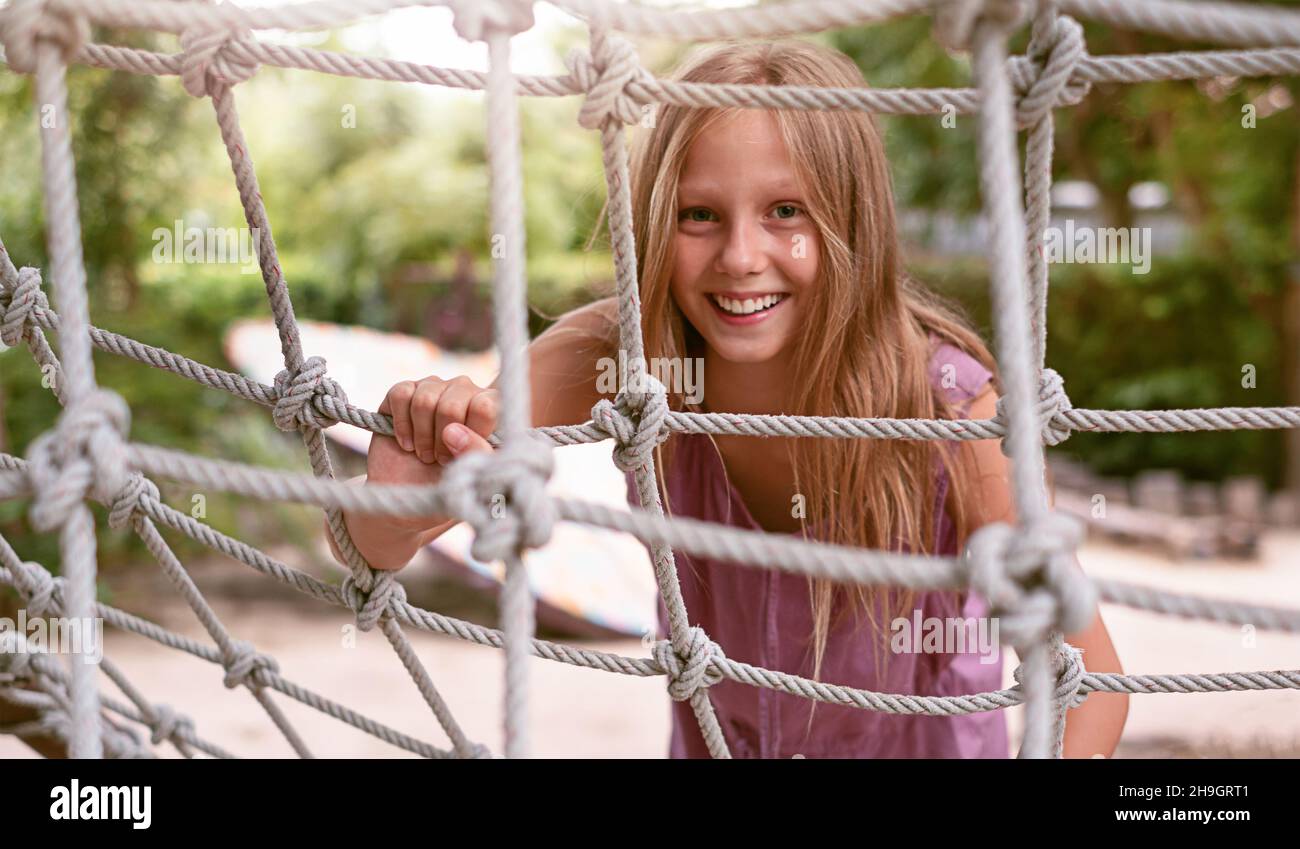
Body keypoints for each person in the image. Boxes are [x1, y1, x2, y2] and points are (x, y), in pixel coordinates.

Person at [328, 38, 1128, 758]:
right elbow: (383, 538)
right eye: (700, 216)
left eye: (787, 212)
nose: (742, 256)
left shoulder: (948, 408)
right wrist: (397, 506)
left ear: (853, 222)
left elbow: (1091, 676)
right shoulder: (629, 361)